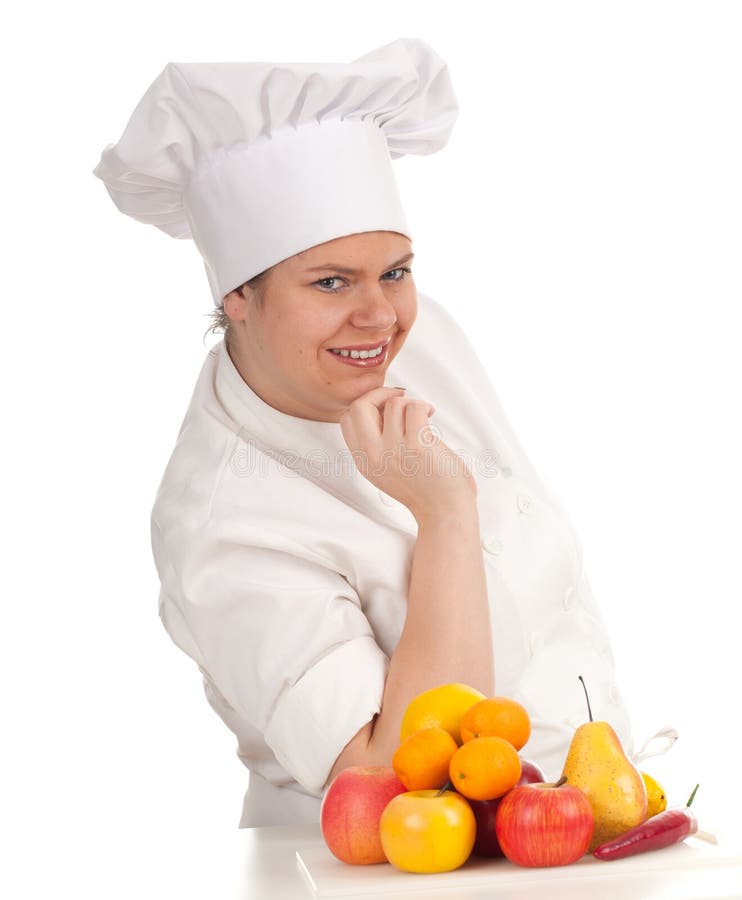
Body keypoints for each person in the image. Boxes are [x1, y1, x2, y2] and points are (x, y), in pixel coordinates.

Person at [92, 37, 641, 828]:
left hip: (570, 827)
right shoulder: (222, 527)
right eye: (330, 282)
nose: (380, 316)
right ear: (238, 294)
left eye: (395, 270)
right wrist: (446, 514)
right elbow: (402, 786)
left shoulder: (415, 339)